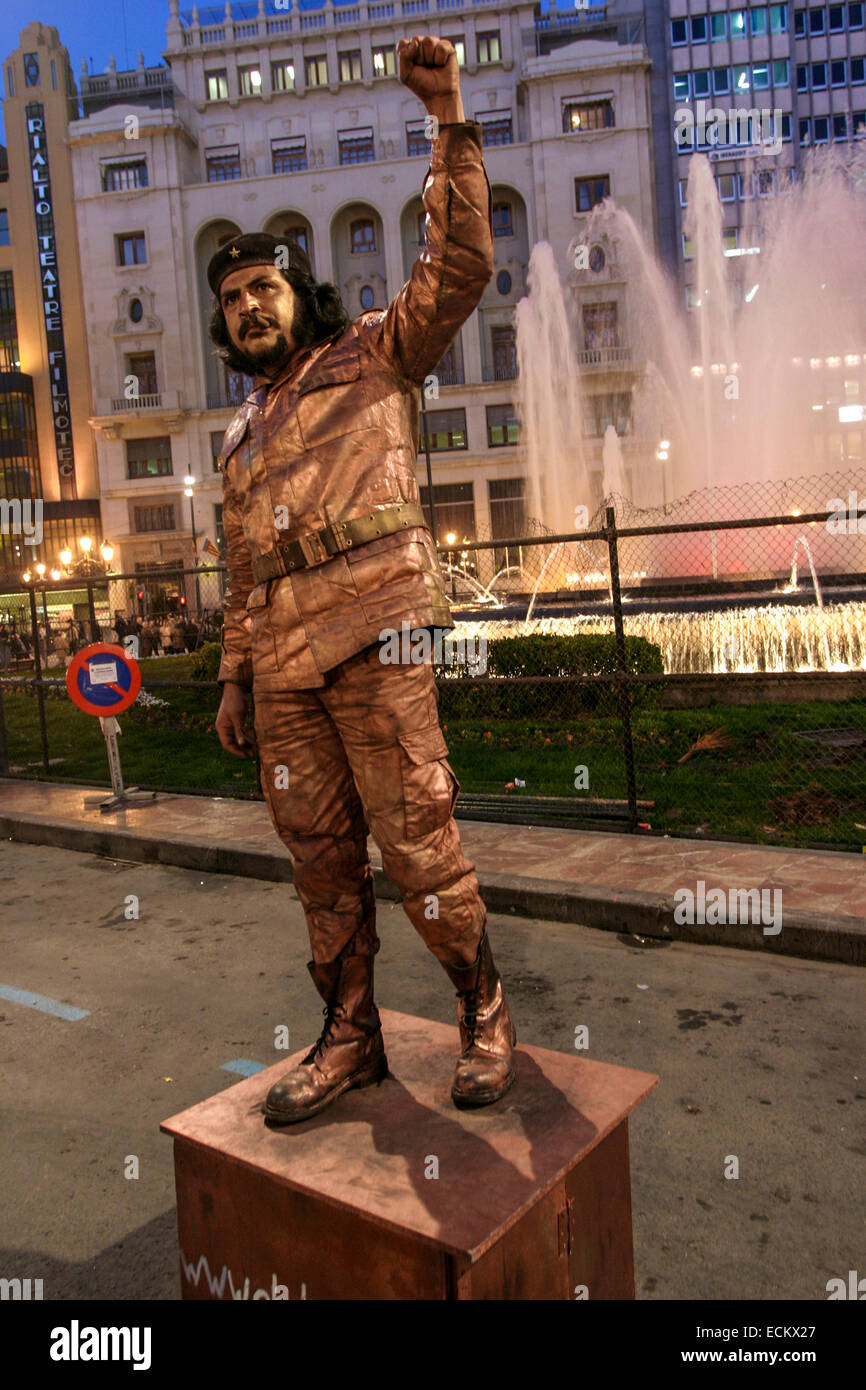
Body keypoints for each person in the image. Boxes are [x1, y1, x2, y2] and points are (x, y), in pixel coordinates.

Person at [212, 35, 515, 1127]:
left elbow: (463, 266)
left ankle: (482, 1009)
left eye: (264, 288)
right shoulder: (239, 442)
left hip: (379, 632)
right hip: (286, 671)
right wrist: (235, 680)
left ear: (301, 296)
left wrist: (447, 119)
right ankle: (351, 1039)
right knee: (322, 865)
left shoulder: (377, 353)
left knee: (417, 841)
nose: (250, 306)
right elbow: (243, 572)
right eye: (234, 298)